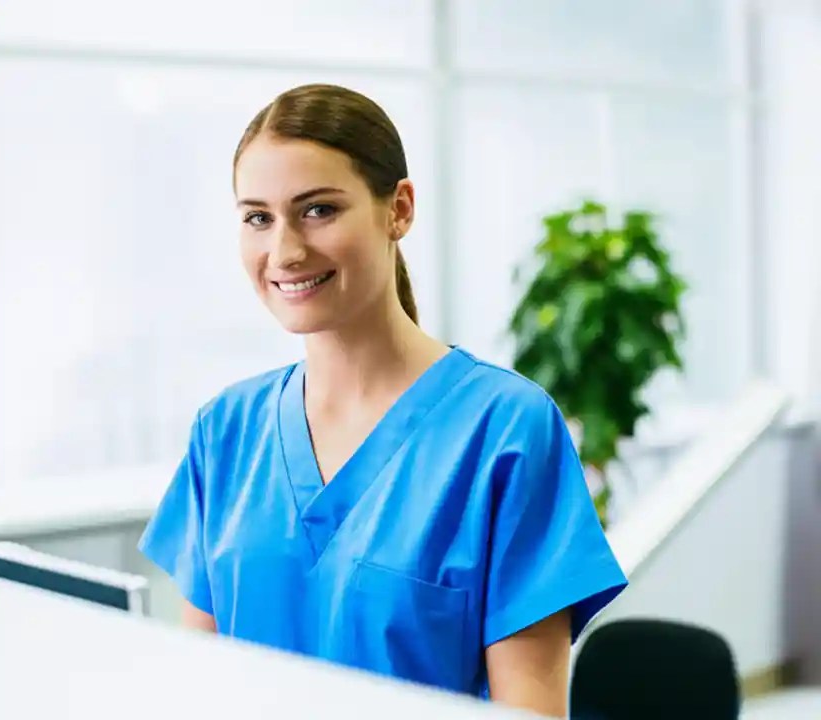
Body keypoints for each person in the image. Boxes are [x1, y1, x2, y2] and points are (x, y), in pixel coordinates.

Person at [137, 83, 627, 717]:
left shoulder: (505, 430)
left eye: (317, 210)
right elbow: (199, 693)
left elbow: (528, 712)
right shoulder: (225, 432)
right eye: (258, 217)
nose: (284, 250)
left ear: (398, 209)